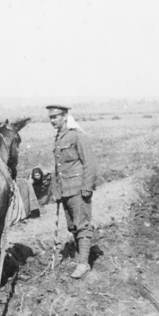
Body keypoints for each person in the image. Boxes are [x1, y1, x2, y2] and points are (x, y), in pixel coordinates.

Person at [47, 105, 97, 279]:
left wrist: (87, 187)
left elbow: (90, 162)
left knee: (82, 224)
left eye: (56, 117)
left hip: (78, 189)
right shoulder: (59, 138)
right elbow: (57, 168)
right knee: (72, 226)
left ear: (65, 116)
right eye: (51, 117)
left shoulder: (77, 136)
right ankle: (80, 256)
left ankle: (84, 263)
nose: (53, 120)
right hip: (65, 190)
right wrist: (56, 191)